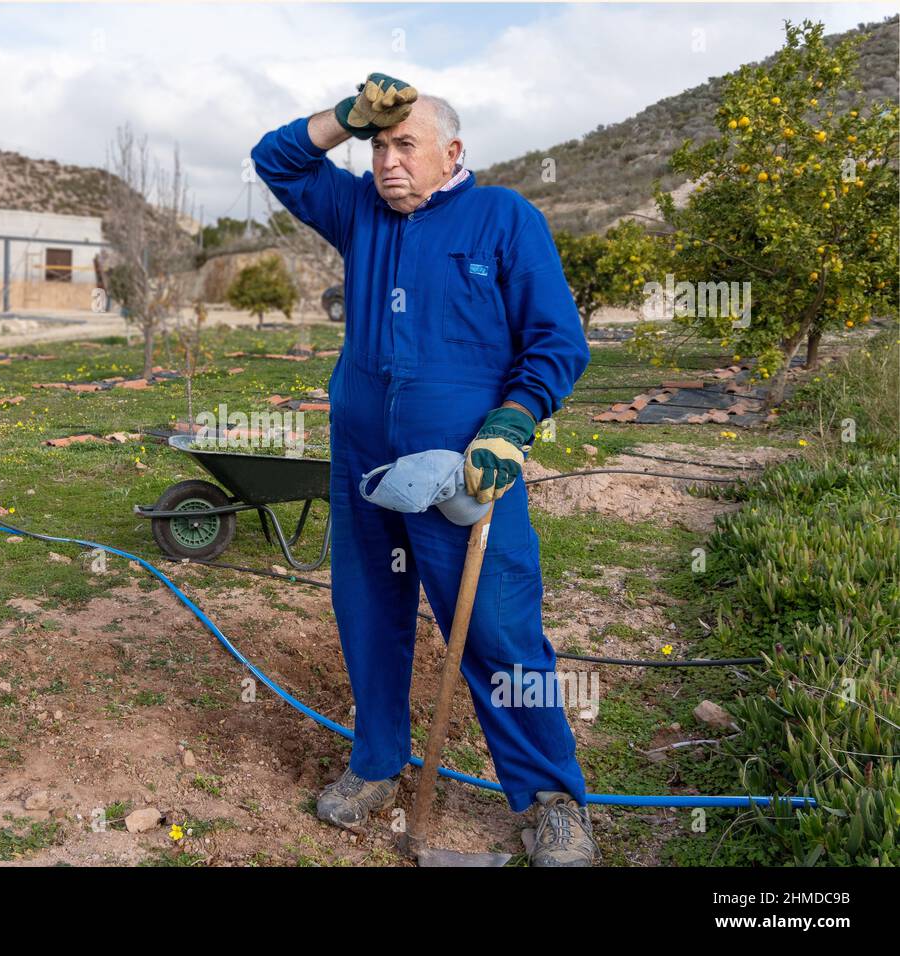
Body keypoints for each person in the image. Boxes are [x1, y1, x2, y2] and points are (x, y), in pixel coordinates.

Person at [250, 74, 599, 866]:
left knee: (500, 629)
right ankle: (377, 763)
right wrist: (346, 116)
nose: (386, 160)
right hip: (367, 467)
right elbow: (276, 162)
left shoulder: (505, 218)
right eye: (378, 145)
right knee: (369, 612)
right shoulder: (361, 213)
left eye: (404, 144)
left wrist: (513, 422)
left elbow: (557, 342)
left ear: (454, 152)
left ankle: (552, 798)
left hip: (464, 473)